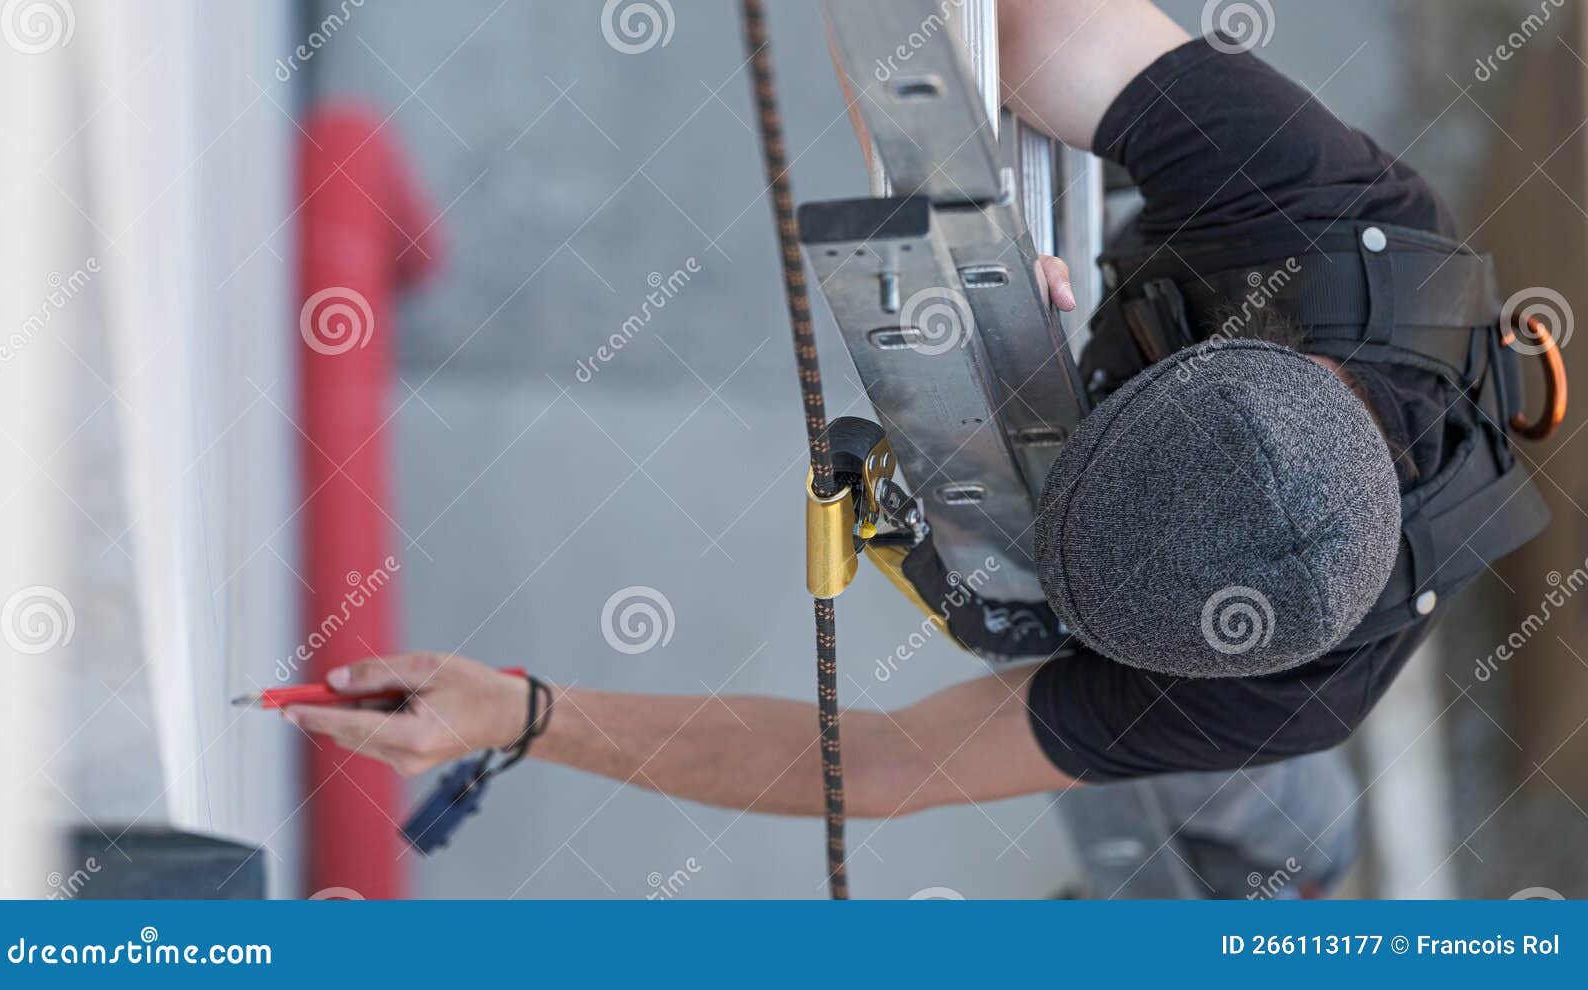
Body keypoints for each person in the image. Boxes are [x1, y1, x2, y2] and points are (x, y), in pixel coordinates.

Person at [285, 0, 1550, 896]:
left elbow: (881, 764)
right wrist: (948, 212)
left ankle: (1278, 896)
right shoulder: (1331, 217)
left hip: (1257, 741)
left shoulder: (1285, 688)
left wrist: (524, 711)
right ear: (1210, 361)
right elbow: (1002, 30)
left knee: (1247, 838)